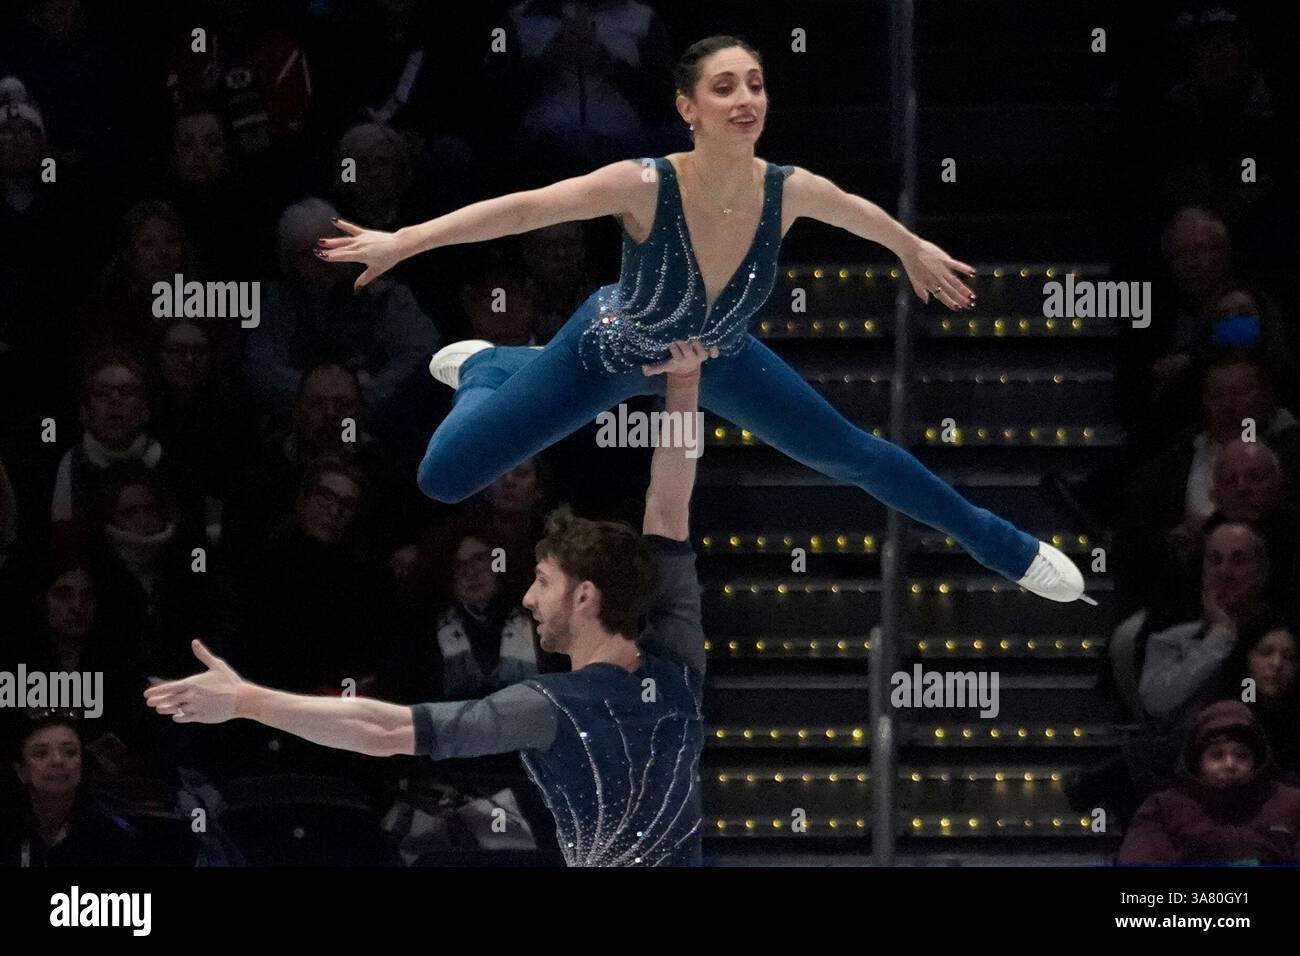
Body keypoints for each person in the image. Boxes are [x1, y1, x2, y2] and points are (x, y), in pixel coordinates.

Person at [315, 35, 1088, 603]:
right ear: (688, 108)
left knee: (855, 453)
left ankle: (1008, 548)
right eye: (725, 88)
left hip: (718, 355)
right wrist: (405, 239)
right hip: (607, 350)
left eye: (755, 83)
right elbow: (520, 209)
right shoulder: (644, 183)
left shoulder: (790, 188)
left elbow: (860, 215)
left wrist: (911, 247)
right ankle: (489, 370)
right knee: (444, 478)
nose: (746, 99)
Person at [145, 338, 716, 865]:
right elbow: (668, 510)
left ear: (585, 595)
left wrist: (248, 701)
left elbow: (384, 730)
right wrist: (685, 387)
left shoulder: (552, 706)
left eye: (542, 580)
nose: (527, 596)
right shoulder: (678, 666)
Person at [1117, 700, 1300, 865]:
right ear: (1197, 761)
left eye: (1242, 756)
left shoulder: (1292, 805)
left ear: (1257, 761)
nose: (1230, 764)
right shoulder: (1162, 808)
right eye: (1217, 755)